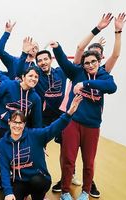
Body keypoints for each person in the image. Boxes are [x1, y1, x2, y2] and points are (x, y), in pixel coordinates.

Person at [51, 41, 117, 200]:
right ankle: (65, 191)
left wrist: (85, 83)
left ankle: (86, 191)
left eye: (93, 61)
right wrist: (57, 47)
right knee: (68, 160)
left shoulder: (104, 76)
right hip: (72, 123)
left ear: (99, 61)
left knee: (89, 163)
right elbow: (63, 62)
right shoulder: (76, 72)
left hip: (92, 126)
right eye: (86, 63)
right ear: (83, 64)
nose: (89, 65)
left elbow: (112, 87)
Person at [0, 95, 83, 200]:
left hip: (39, 179)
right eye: (15, 122)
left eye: (20, 123)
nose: (17, 126)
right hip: (20, 181)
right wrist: (8, 192)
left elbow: (53, 128)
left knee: (37, 182)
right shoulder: (2, 143)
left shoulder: (35, 135)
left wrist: (69, 113)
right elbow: (4, 169)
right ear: (9, 122)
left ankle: (40, 197)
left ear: (24, 124)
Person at [34, 50, 82, 192]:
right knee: (38, 147)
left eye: (45, 59)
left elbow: (75, 63)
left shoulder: (61, 71)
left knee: (67, 148)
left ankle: (69, 175)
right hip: (43, 118)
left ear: (51, 60)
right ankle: (37, 176)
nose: (43, 62)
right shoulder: (36, 75)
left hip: (62, 116)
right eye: (40, 60)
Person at [0, 37, 43, 144]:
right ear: (24, 76)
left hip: (20, 128)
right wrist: (24, 53)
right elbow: (17, 71)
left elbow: (37, 123)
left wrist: (40, 142)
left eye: (36, 77)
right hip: (2, 126)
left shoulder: (35, 96)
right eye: (30, 76)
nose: (33, 78)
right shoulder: (10, 79)